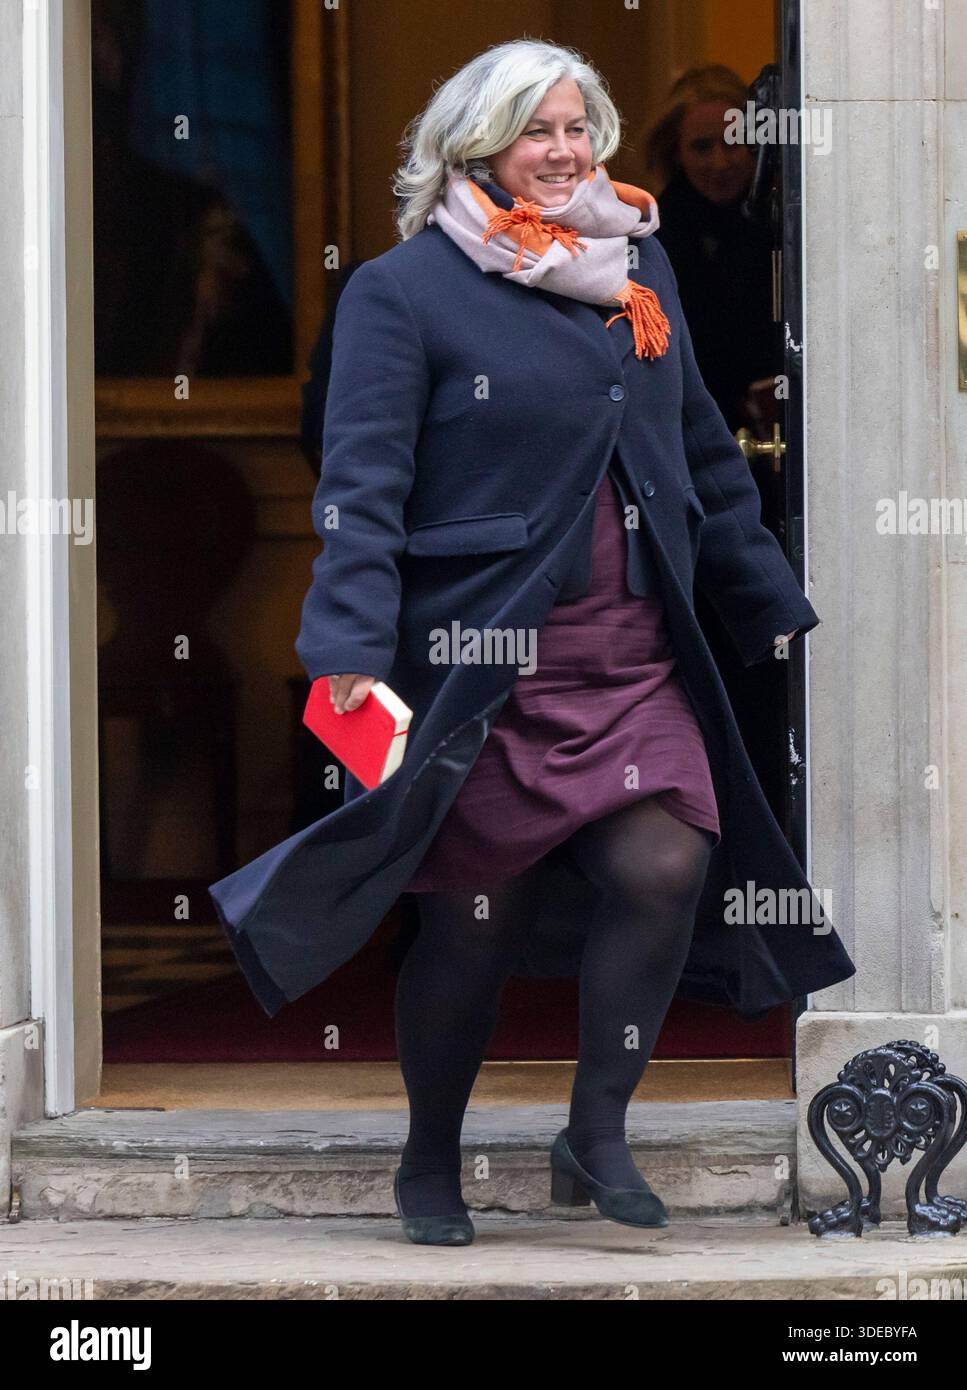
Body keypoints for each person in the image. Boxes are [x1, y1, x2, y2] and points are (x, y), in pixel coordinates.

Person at [207, 38, 855, 1247]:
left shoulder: (636, 261)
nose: (562, 152)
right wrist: (345, 645)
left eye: (578, 129)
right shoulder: (403, 291)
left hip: (630, 653)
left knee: (666, 865)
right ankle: (430, 1152)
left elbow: (698, 446)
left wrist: (765, 596)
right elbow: (363, 484)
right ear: (478, 147)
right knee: (472, 920)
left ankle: (594, 1126)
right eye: (536, 131)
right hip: (484, 656)